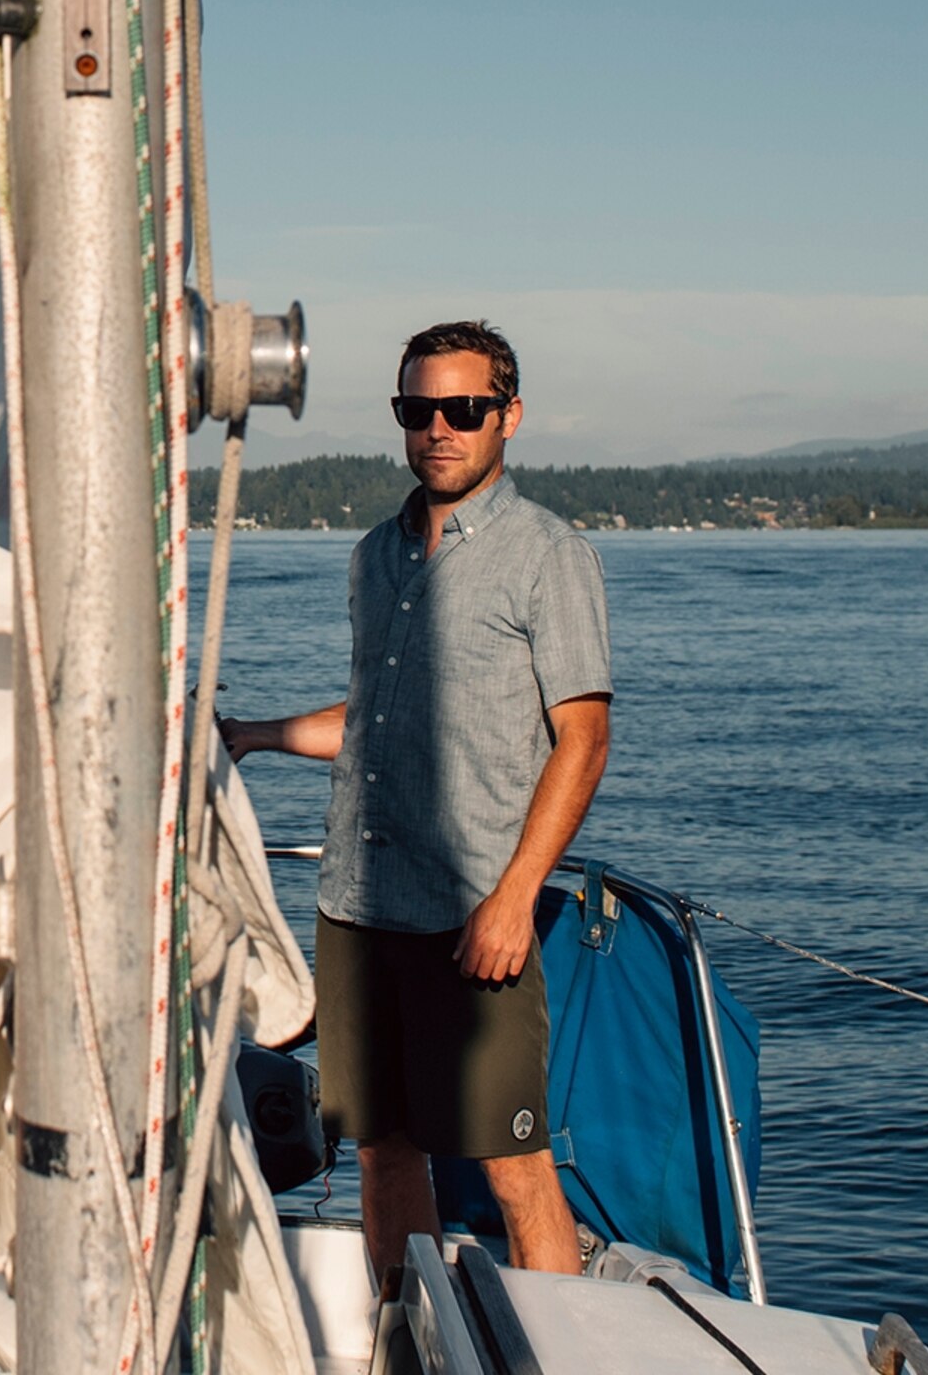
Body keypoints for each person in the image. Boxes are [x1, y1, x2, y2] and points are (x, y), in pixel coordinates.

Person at [222, 319, 611, 1286]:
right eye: (418, 409)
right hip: (355, 910)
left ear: (507, 417)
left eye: (463, 409)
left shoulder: (545, 555)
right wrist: (253, 737)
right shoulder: (374, 556)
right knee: (382, 1154)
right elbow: (376, 718)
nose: (439, 428)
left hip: (471, 914)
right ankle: (402, 1342)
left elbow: (584, 738)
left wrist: (518, 896)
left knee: (514, 1167)